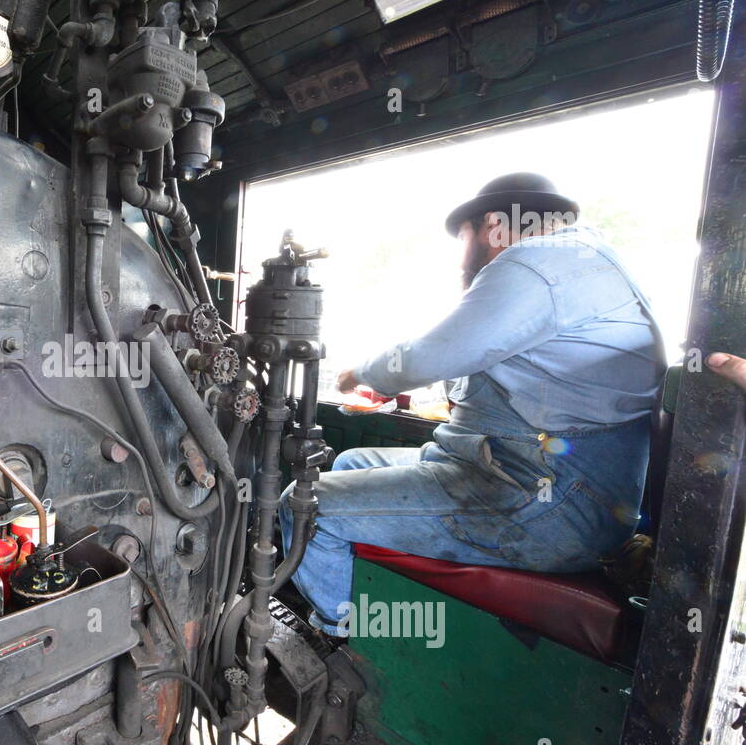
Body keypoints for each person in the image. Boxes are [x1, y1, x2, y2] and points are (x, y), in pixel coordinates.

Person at [280, 172, 666, 635]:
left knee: (305, 505)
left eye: (464, 238)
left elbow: (433, 353)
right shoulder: (581, 261)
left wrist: (360, 374)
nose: (464, 255)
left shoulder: (537, 265)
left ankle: (333, 636)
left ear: (491, 227)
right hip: (530, 475)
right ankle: (350, 597)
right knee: (351, 460)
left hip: (548, 503)